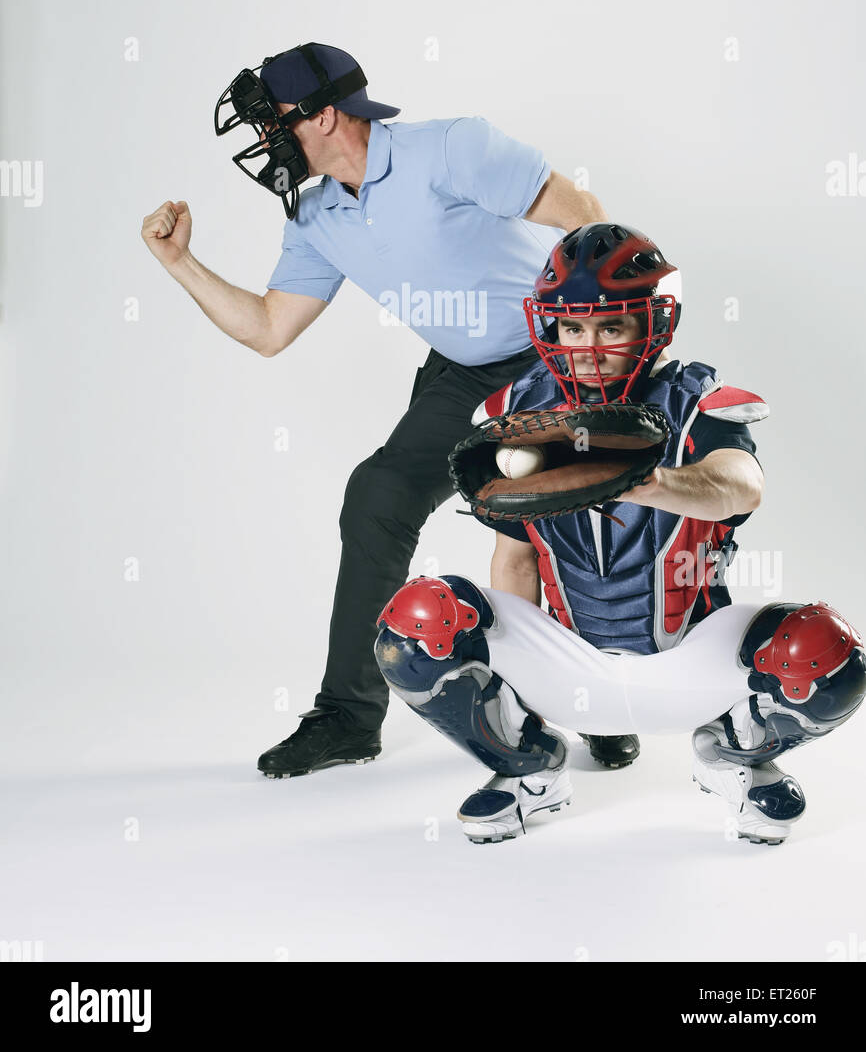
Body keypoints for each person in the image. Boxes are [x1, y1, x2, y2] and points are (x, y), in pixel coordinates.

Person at [141, 41, 624, 779]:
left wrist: (597, 360)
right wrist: (180, 265)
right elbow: (271, 329)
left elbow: (586, 219)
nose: (266, 144)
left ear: (326, 115)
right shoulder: (315, 215)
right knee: (379, 495)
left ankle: (590, 701)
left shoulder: (453, 149)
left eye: (275, 125)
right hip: (462, 374)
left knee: (548, 527)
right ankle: (346, 717)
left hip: (549, 357)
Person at [374, 223, 866, 844]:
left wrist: (647, 480)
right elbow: (516, 564)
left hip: (691, 663)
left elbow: (741, 484)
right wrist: (521, 693)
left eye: (611, 327)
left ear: (652, 325)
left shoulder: (694, 402)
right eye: (573, 327)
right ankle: (528, 767)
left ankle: (734, 754)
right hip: (572, 661)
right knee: (418, 619)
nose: (587, 346)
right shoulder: (521, 414)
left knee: (826, 649)